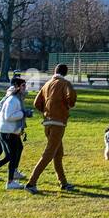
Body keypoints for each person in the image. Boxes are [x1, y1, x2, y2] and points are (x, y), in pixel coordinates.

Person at [24, 64, 77, 194]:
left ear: (55, 71)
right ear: (65, 73)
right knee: (48, 154)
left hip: (47, 123)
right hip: (58, 123)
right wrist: (67, 107)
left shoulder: (46, 84)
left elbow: (36, 103)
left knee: (58, 154)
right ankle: (31, 182)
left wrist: (47, 111)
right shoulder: (65, 83)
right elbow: (71, 99)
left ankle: (63, 182)